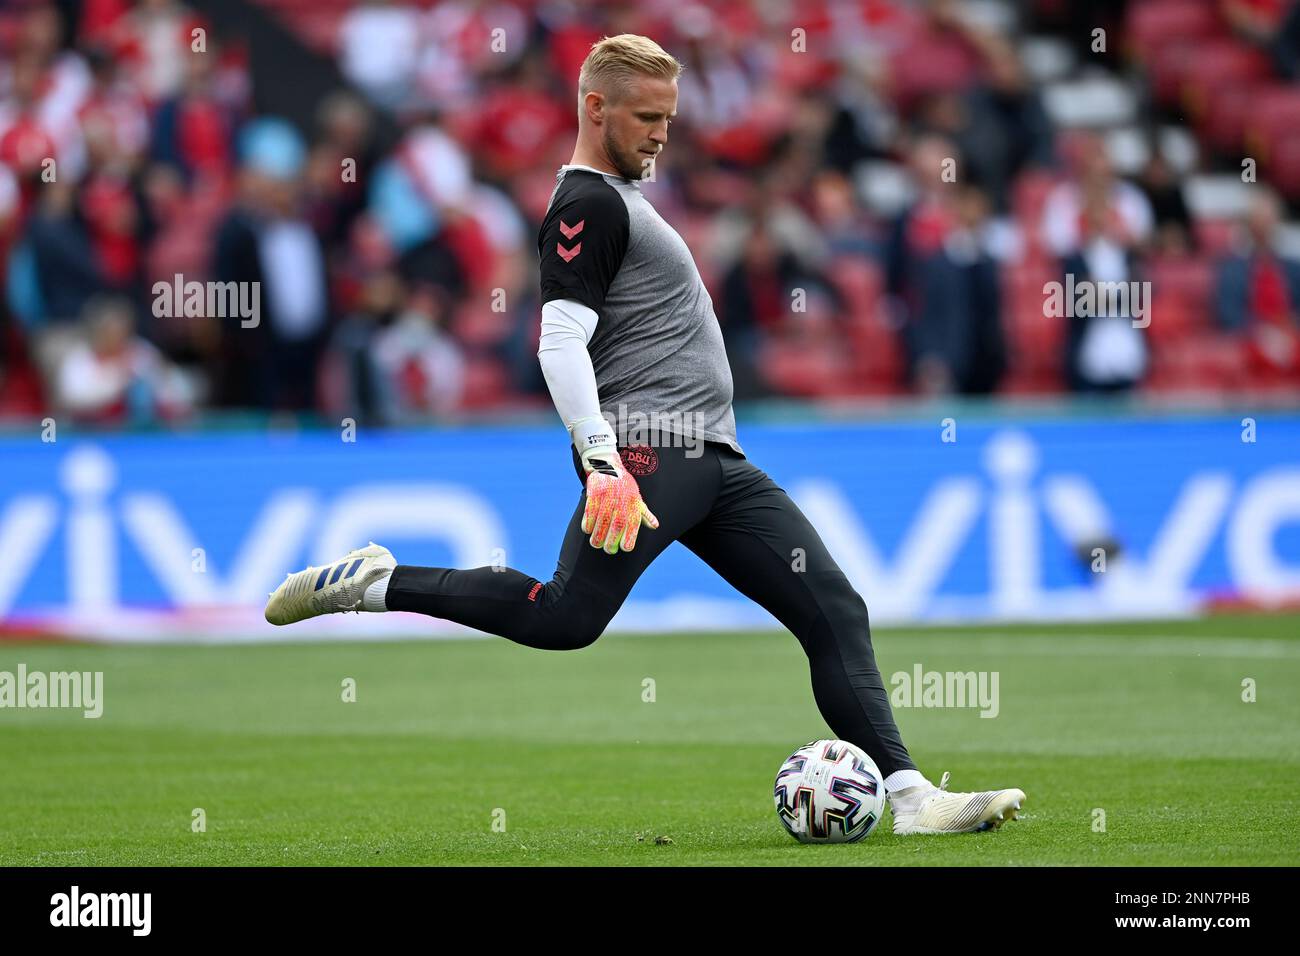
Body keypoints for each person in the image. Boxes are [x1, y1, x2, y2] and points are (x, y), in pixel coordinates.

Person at [264, 35, 1025, 835]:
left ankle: (911, 800)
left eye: (669, 116)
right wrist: (601, 462)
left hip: (714, 457)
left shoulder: (622, 200)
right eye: (647, 116)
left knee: (834, 609)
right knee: (565, 619)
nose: (663, 133)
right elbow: (558, 342)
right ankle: (378, 581)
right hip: (648, 449)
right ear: (595, 108)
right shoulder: (586, 204)